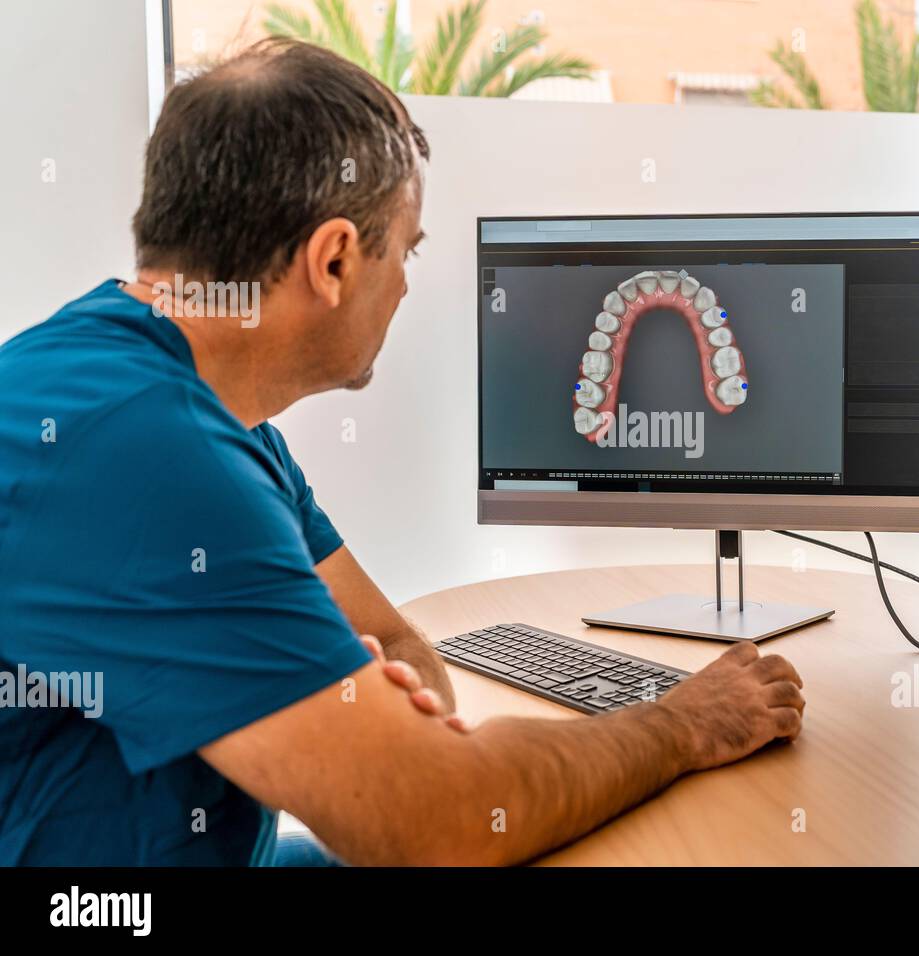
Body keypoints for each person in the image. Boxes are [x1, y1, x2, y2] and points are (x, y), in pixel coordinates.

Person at [0, 39, 805, 866]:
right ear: (336, 259)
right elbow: (443, 823)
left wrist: (386, 730)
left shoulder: (195, 412)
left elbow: (394, 643)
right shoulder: (149, 456)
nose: (411, 285)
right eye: (407, 249)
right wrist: (681, 723)